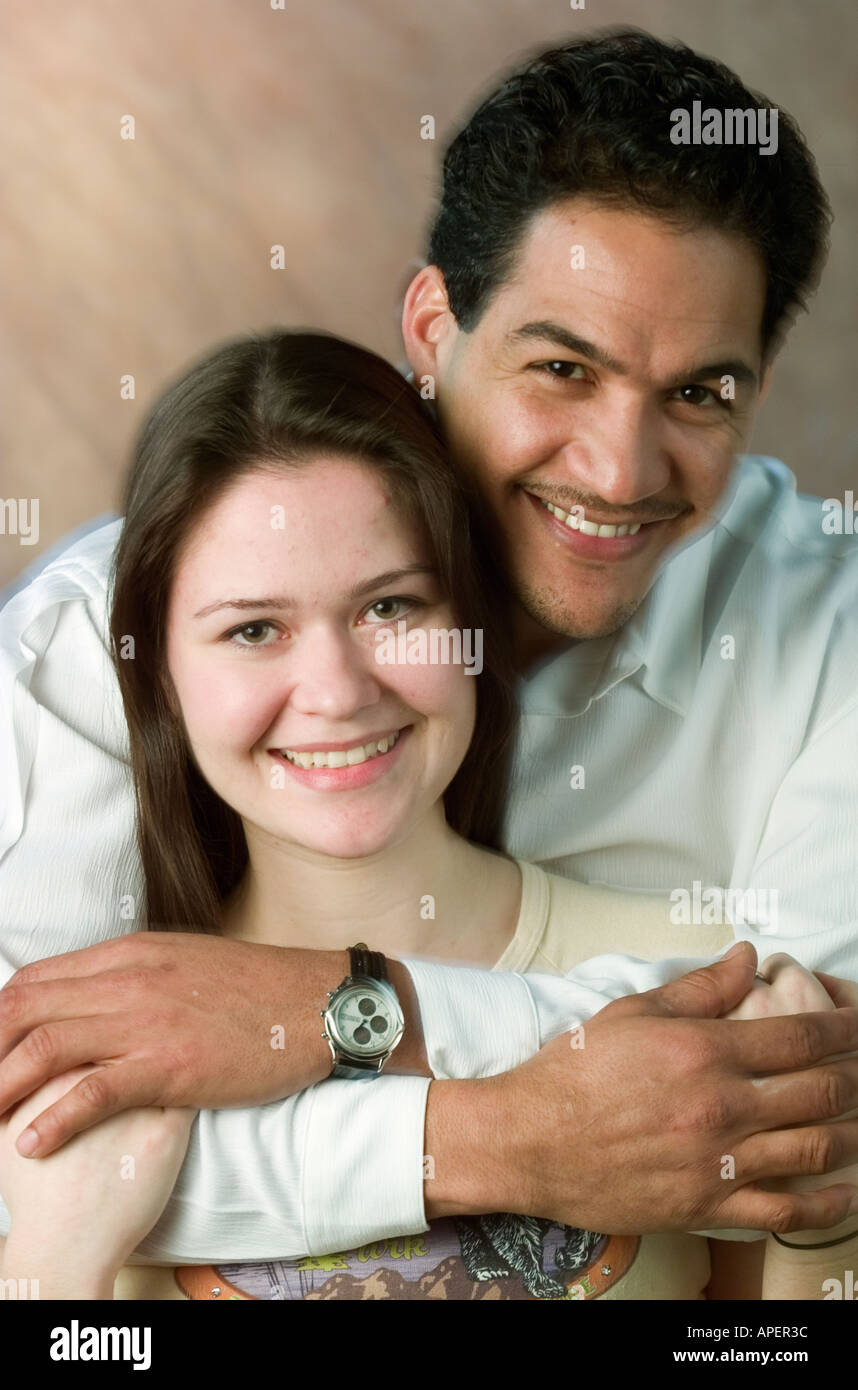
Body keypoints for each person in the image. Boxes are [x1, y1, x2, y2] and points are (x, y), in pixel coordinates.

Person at [1, 28, 857, 1275]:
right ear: (433, 325)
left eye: (698, 395)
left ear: (758, 383)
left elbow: (816, 1104)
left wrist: (333, 1014)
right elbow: (38, 1146)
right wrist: (509, 1133)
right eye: (562, 368)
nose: (619, 471)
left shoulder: (827, 629)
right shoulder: (105, 630)